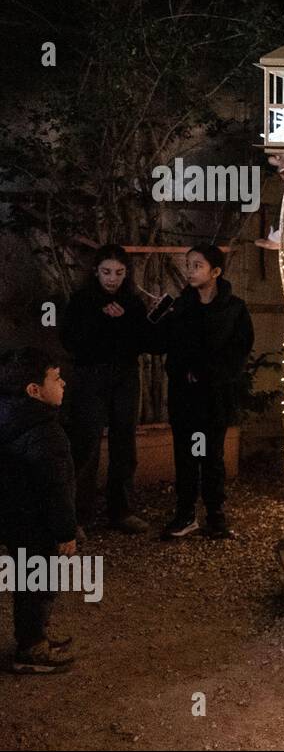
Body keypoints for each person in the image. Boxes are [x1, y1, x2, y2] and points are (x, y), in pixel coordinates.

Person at [152, 245, 254, 540]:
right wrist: (158, 316)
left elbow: (239, 350)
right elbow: (160, 344)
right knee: (185, 455)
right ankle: (185, 514)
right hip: (185, 395)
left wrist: (211, 373)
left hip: (215, 396)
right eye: (188, 265)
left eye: (197, 265)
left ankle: (215, 515)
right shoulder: (181, 306)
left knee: (213, 456)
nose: (190, 270)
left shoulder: (234, 309)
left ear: (216, 271)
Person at [59, 244, 150, 534]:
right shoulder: (82, 301)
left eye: (119, 273)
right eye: (107, 272)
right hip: (90, 376)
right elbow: (71, 341)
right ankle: (78, 515)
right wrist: (101, 320)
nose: (112, 278)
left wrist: (124, 322)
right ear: (96, 271)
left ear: (127, 274)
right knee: (86, 444)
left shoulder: (133, 303)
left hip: (125, 376)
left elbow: (142, 342)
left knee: (125, 443)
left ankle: (120, 511)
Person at [0, 347, 78, 673]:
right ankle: (32, 648)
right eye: (56, 379)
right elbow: (56, 490)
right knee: (38, 583)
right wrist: (66, 533)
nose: (63, 385)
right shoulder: (47, 433)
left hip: (14, 516)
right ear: (34, 390)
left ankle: (34, 637)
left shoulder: (9, 415)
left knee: (27, 581)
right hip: (36, 523)